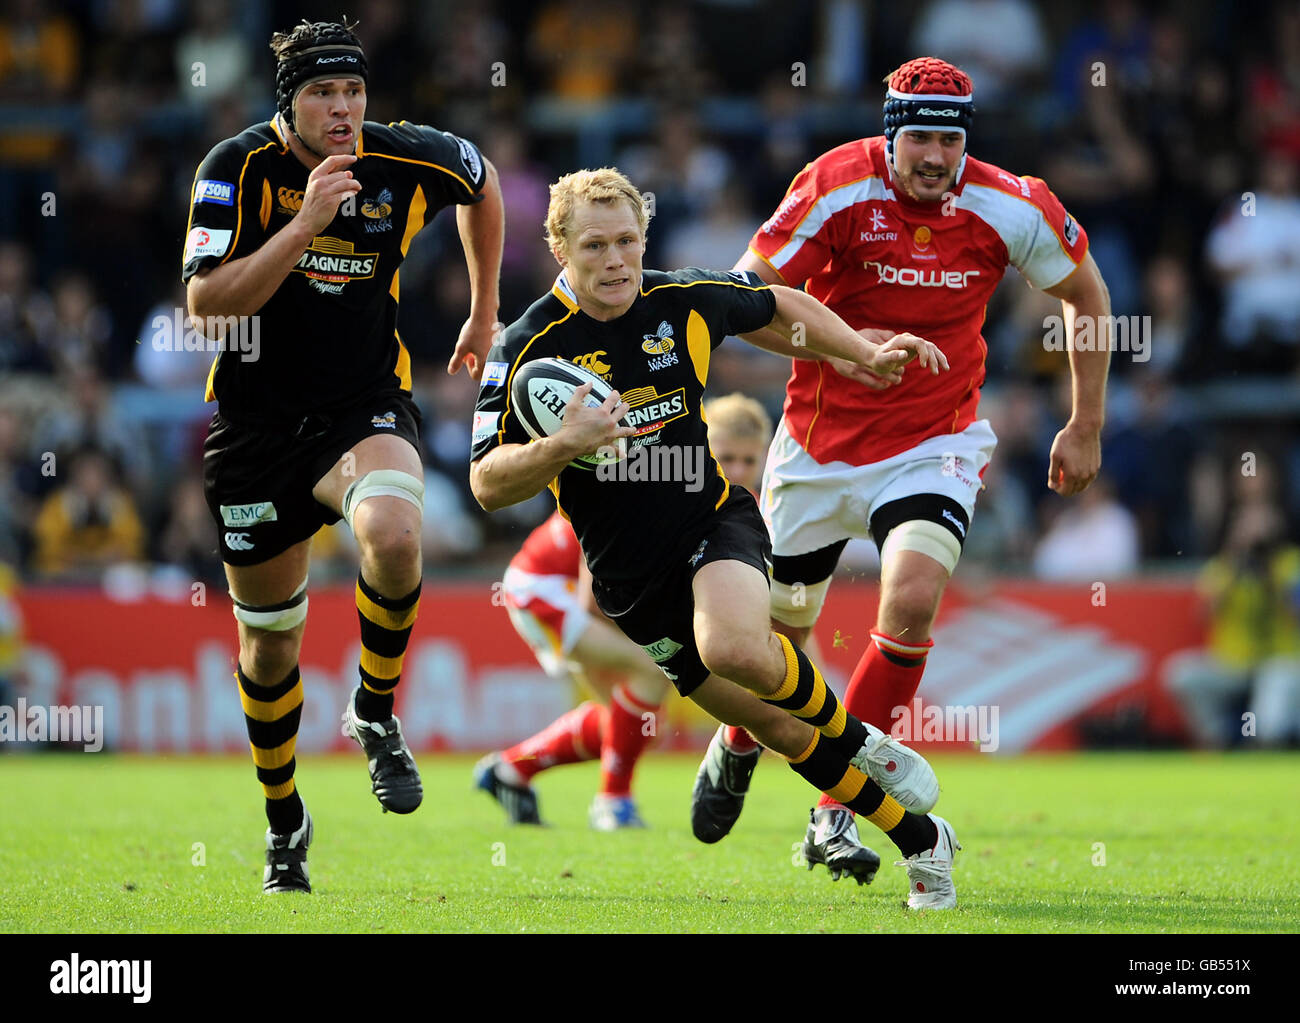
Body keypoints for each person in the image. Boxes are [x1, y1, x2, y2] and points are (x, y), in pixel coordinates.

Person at [470, 167, 962, 909]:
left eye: (628, 240)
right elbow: (486, 482)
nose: (615, 260)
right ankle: (924, 842)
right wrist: (562, 444)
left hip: (712, 522)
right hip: (630, 583)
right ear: (560, 247)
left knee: (735, 647)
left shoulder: (680, 299)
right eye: (595, 245)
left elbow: (779, 307)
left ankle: (862, 737)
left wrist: (858, 352)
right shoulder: (526, 343)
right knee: (778, 728)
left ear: (645, 238)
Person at [692, 56, 1113, 891]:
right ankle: (740, 738)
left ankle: (836, 805)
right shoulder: (833, 187)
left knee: (912, 599)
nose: (933, 154)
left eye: (949, 139)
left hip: (936, 440)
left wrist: (1085, 423)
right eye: (918, 135)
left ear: (967, 142)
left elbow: (1089, 296)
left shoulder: (1013, 203)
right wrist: (853, 350)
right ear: (891, 134)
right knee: (769, 645)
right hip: (816, 449)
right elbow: (749, 302)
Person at [183, 19, 504, 893]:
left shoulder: (402, 158)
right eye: (324, 93)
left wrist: (483, 309)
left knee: (398, 535)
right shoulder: (233, 170)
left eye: (353, 92)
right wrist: (304, 225)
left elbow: (482, 180)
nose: (343, 110)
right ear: (287, 104)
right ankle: (284, 817)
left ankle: (373, 709)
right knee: (270, 648)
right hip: (253, 431)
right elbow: (207, 308)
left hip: (360, 408)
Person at [475, 393, 774, 830]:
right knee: (650, 678)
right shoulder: (665, 482)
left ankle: (510, 771)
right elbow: (592, 598)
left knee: (635, 715)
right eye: (726, 457)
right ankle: (613, 803)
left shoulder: (720, 499)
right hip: (545, 589)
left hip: (555, 591)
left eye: (750, 461)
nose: (739, 471)